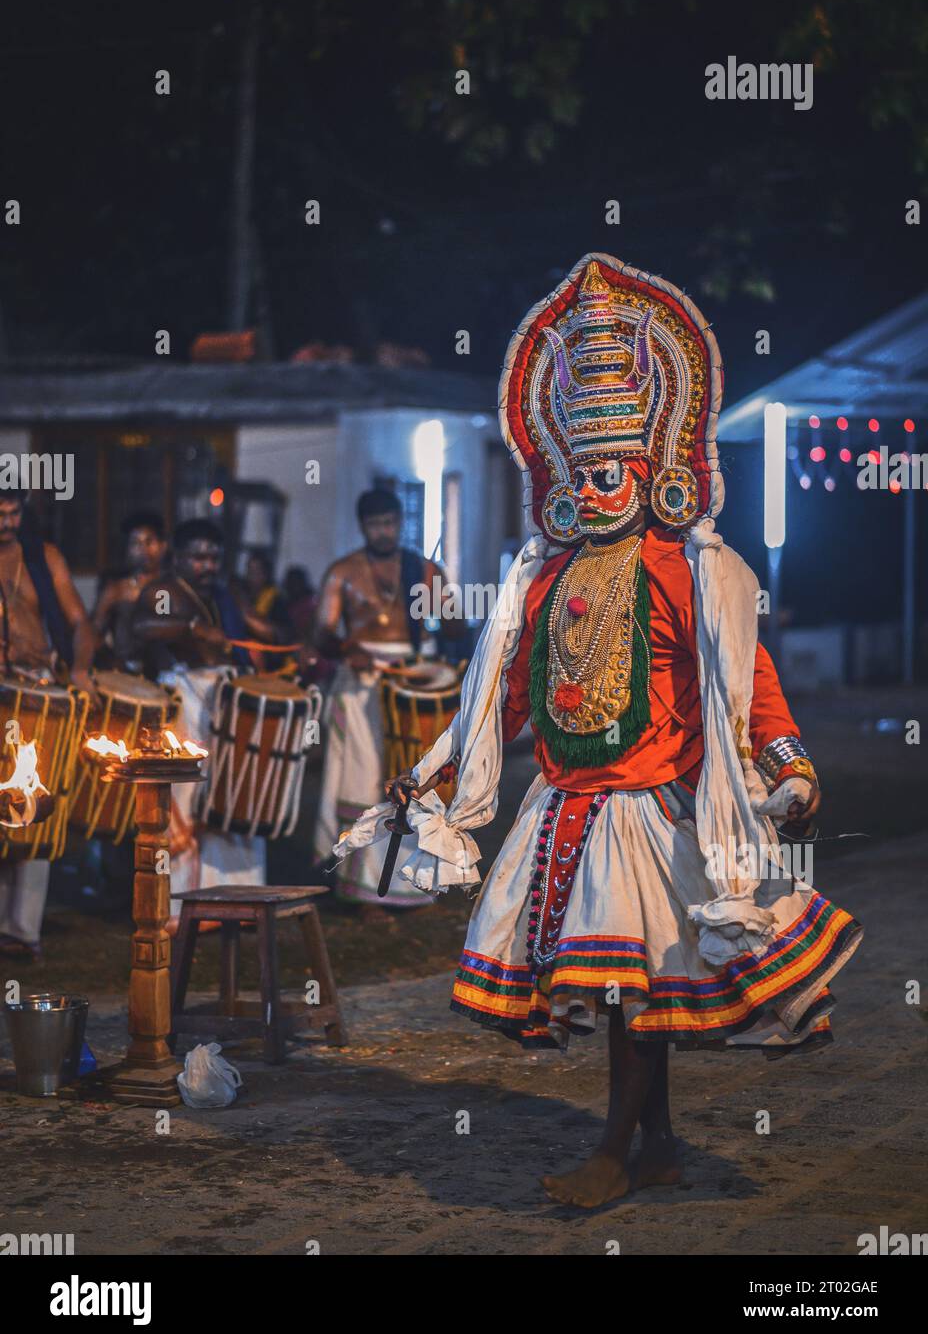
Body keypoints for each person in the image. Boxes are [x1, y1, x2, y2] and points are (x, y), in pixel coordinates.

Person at [334, 255, 863, 1208]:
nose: (599, 484)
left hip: (652, 813)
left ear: (654, 470)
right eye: (583, 471)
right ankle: (652, 1143)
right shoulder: (541, 577)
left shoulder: (688, 568)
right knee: (635, 990)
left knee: (632, 989)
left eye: (614, 468)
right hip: (564, 811)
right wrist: (436, 774)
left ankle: (616, 1151)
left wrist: (788, 764)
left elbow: (745, 680)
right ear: (563, 478)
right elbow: (505, 700)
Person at [312, 488, 456, 907]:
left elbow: (452, 627)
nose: (384, 532)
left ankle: (414, 886)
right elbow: (322, 633)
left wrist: (439, 603)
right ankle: (361, 889)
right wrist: (344, 650)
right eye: (375, 524)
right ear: (363, 526)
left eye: (390, 523)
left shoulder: (424, 569)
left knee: (410, 780)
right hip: (360, 689)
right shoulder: (344, 572)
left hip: (413, 681)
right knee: (364, 780)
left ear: (400, 522)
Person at [131, 518, 263, 927]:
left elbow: (256, 626)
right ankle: (181, 908)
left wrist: (298, 639)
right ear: (179, 557)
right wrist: (191, 628)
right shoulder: (163, 591)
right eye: (198, 557)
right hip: (183, 702)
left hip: (227, 701)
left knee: (232, 792)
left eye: (213, 557)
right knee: (186, 801)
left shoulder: (226, 594)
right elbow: (142, 628)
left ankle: (236, 903)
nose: (207, 565)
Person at [0, 491, 97, 960]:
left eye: (14, 512)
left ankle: (22, 930)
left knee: (32, 804)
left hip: (36, 693)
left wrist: (79, 669)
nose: (7, 521)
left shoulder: (43, 557)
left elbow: (79, 622)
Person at [91, 510, 168, 671]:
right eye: (136, 543)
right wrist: (110, 659)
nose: (143, 549)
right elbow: (94, 633)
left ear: (163, 546)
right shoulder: (117, 589)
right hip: (125, 672)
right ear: (128, 549)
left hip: (166, 673)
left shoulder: (171, 588)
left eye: (149, 541)